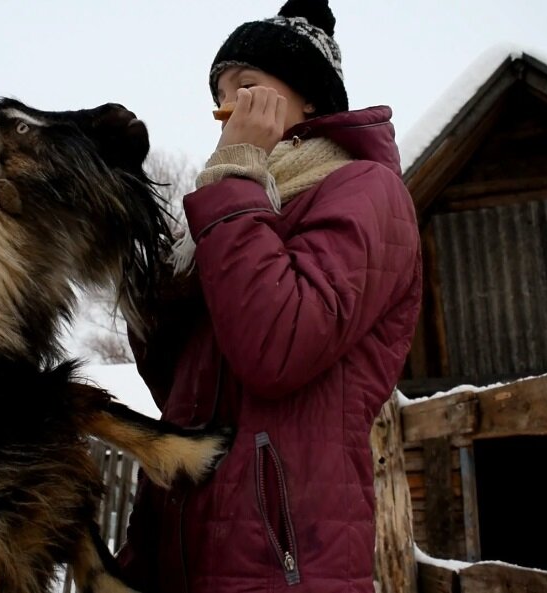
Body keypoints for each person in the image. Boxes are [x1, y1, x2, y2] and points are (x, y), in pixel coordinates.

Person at [116, 0, 422, 591]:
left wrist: (233, 183)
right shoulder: (241, 199)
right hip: (181, 545)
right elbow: (176, 381)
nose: (226, 107)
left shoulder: (364, 188)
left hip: (284, 561)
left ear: (309, 99)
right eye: (220, 92)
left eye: (246, 85)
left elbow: (277, 345)